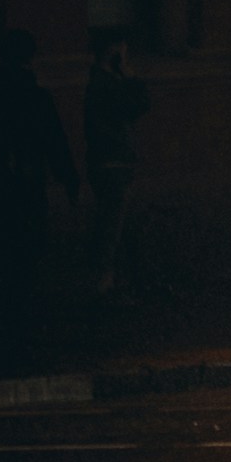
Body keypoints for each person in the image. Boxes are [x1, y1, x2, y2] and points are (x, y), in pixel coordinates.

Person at [0, 22, 77, 359]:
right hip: (26, 185)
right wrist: (69, 179)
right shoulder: (35, 96)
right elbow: (55, 142)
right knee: (24, 258)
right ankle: (17, 328)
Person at [83, 25, 146, 296]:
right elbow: (140, 105)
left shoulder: (99, 82)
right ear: (113, 49)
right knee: (112, 222)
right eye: (121, 46)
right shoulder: (107, 84)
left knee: (111, 219)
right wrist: (130, 76)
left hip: (107, 160)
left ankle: (109, 277)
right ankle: (104, 279)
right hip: (114, 160)